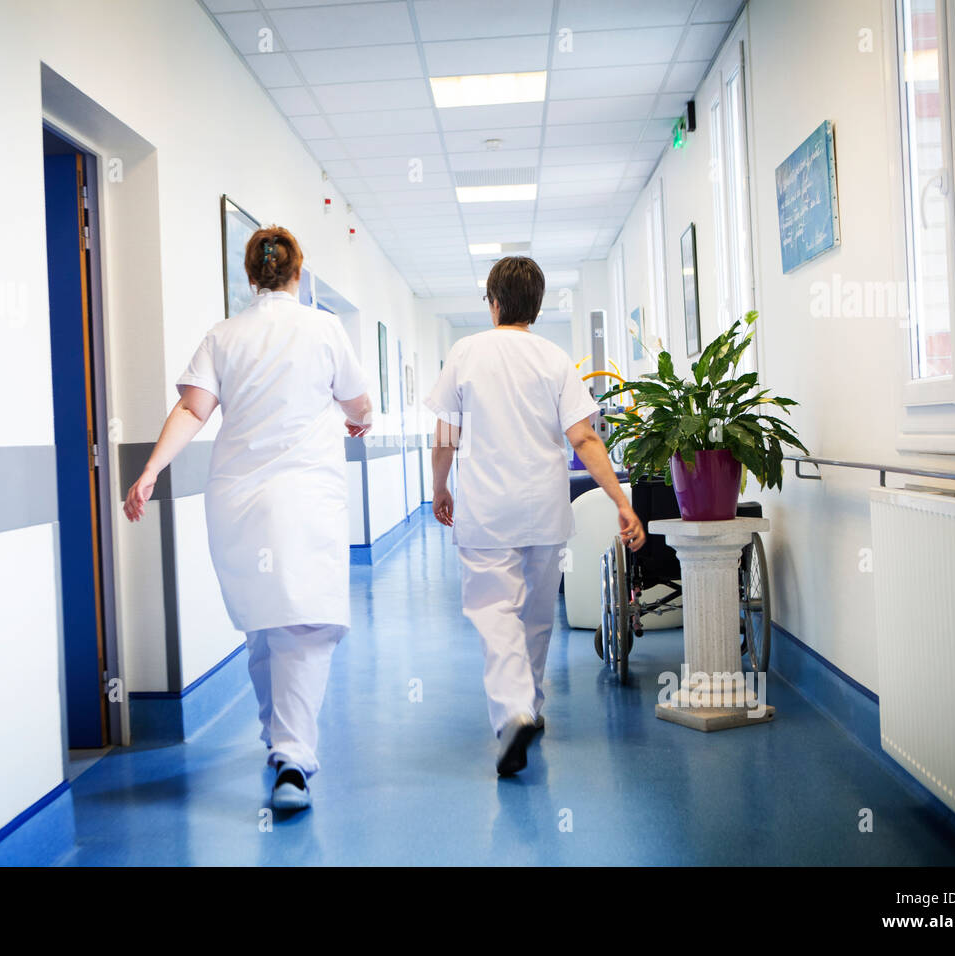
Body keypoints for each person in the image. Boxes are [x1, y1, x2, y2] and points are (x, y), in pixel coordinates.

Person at [124, 225, 372, 811]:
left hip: (236, 499)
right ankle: (293, 755)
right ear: (297, 271)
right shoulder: (324, 327)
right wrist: (357, 418)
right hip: (305, 495)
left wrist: (151, 468)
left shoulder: (224, 335)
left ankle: (277, 738)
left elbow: (192, 407)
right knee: (305, 621)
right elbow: (358, 403)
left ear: (250, 274)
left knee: (267, 620)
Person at [425, 256, 645, 777]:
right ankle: (533, 708)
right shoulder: (553, 358)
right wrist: (620, 500)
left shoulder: (464, 353)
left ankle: (515, 713)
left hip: (485, 511)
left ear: (493, 302)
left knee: (495, 613)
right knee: (538, 616)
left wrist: (439, 488)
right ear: (538, 307)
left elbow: (444, 437)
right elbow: (585, 437)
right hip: (545, 510)